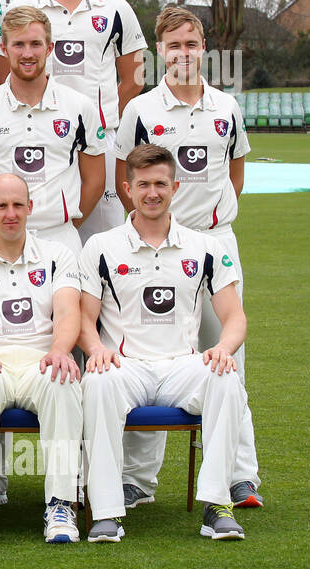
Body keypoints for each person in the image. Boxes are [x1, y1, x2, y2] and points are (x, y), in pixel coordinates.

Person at [114, 5, 261, 509]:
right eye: (173, 45)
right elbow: (126, 176)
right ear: (160, 51)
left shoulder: (227, 107)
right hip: (156, 247)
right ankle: (138, 480)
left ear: (204, 49)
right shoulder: (140, 110)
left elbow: (235, 174)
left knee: (227, 362)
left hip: (214, 243)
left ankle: (240, 477)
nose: (183, 53)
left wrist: (209, 223)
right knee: (150, 359)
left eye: (191, 44)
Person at [79, 144, 249, 542]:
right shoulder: (100, 247)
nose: (152, 193)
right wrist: (96, 350)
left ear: (175, 187)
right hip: (125, 366)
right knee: (97, 382)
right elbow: (84, 318)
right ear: (127, 189)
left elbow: (235, 317)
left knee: (227, 379)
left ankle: (217, 505)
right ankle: (106, 512)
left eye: (160, 184)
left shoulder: (205, 247)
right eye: (143, 185)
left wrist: (223, 348)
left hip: (181, 366)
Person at [0, 0, 146, 241]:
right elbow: (4, 77)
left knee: (104, 239)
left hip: (101, 142)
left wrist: (97, 121)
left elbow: (135, 78)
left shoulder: (116, 8)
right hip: (36, 137)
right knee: (37, 232)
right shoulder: (20, 7)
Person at [0, 173, 83, 545]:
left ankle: (61, 505)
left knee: (63, 381)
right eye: (2, 206)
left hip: (43, 358)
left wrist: (60, 351)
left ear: (30, 208)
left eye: (18, 205)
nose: (10, 214)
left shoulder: (58, 255)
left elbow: (67, 310)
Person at [0, 6, 105, 255]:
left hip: (60, 238)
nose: (27, 53)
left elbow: (95, 181)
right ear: (4, 49)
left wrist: (63, 222)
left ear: (49, 48)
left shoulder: (79, 106)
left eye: (36, 44)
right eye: (18, 44)